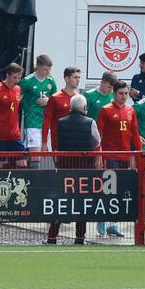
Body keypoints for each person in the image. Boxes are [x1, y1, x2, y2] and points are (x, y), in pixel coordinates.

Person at [46, 94, 100, 245]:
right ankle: (80, 237)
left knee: (61, 202)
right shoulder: (90, 122)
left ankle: (52, 236)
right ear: (84, 108)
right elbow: (97, 140)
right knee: (81, 203)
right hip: (85, 168)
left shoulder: (61, 122)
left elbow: (55, 142)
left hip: (65, 167)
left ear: (71, 107)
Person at [97, 80, 142, 238]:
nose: (124, 96)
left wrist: (138, 153)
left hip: (125, 155)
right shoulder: (106, 110)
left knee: (120, 191)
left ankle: (113, 224)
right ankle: (102, 219)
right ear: (114, 93)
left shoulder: (131, 110)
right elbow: (98, 135)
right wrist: (99, 155)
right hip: (110, 155)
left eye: (126, 93)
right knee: (108, 190)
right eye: (121, 93)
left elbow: (135, 133)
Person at [20, 55, 56, 157]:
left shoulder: (50, 81)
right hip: (32, 123)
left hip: (46, 123)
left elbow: (56, 100)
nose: (48, 72)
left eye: (49, 69)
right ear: (39, 67)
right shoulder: (27, 81)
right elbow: (17, 99)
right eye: (46, 69)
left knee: (46, 156)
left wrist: (48, 101)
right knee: (36, 156)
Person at [42, 66, 82, 155]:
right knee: (61, 168)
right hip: (59, 143)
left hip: (77, 143)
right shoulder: (55, 98)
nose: (78, 80)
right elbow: (46, 120)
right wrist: (44, 143)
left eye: (79, 77)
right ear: (67, 79)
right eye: (75, 77)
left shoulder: (80, 98)